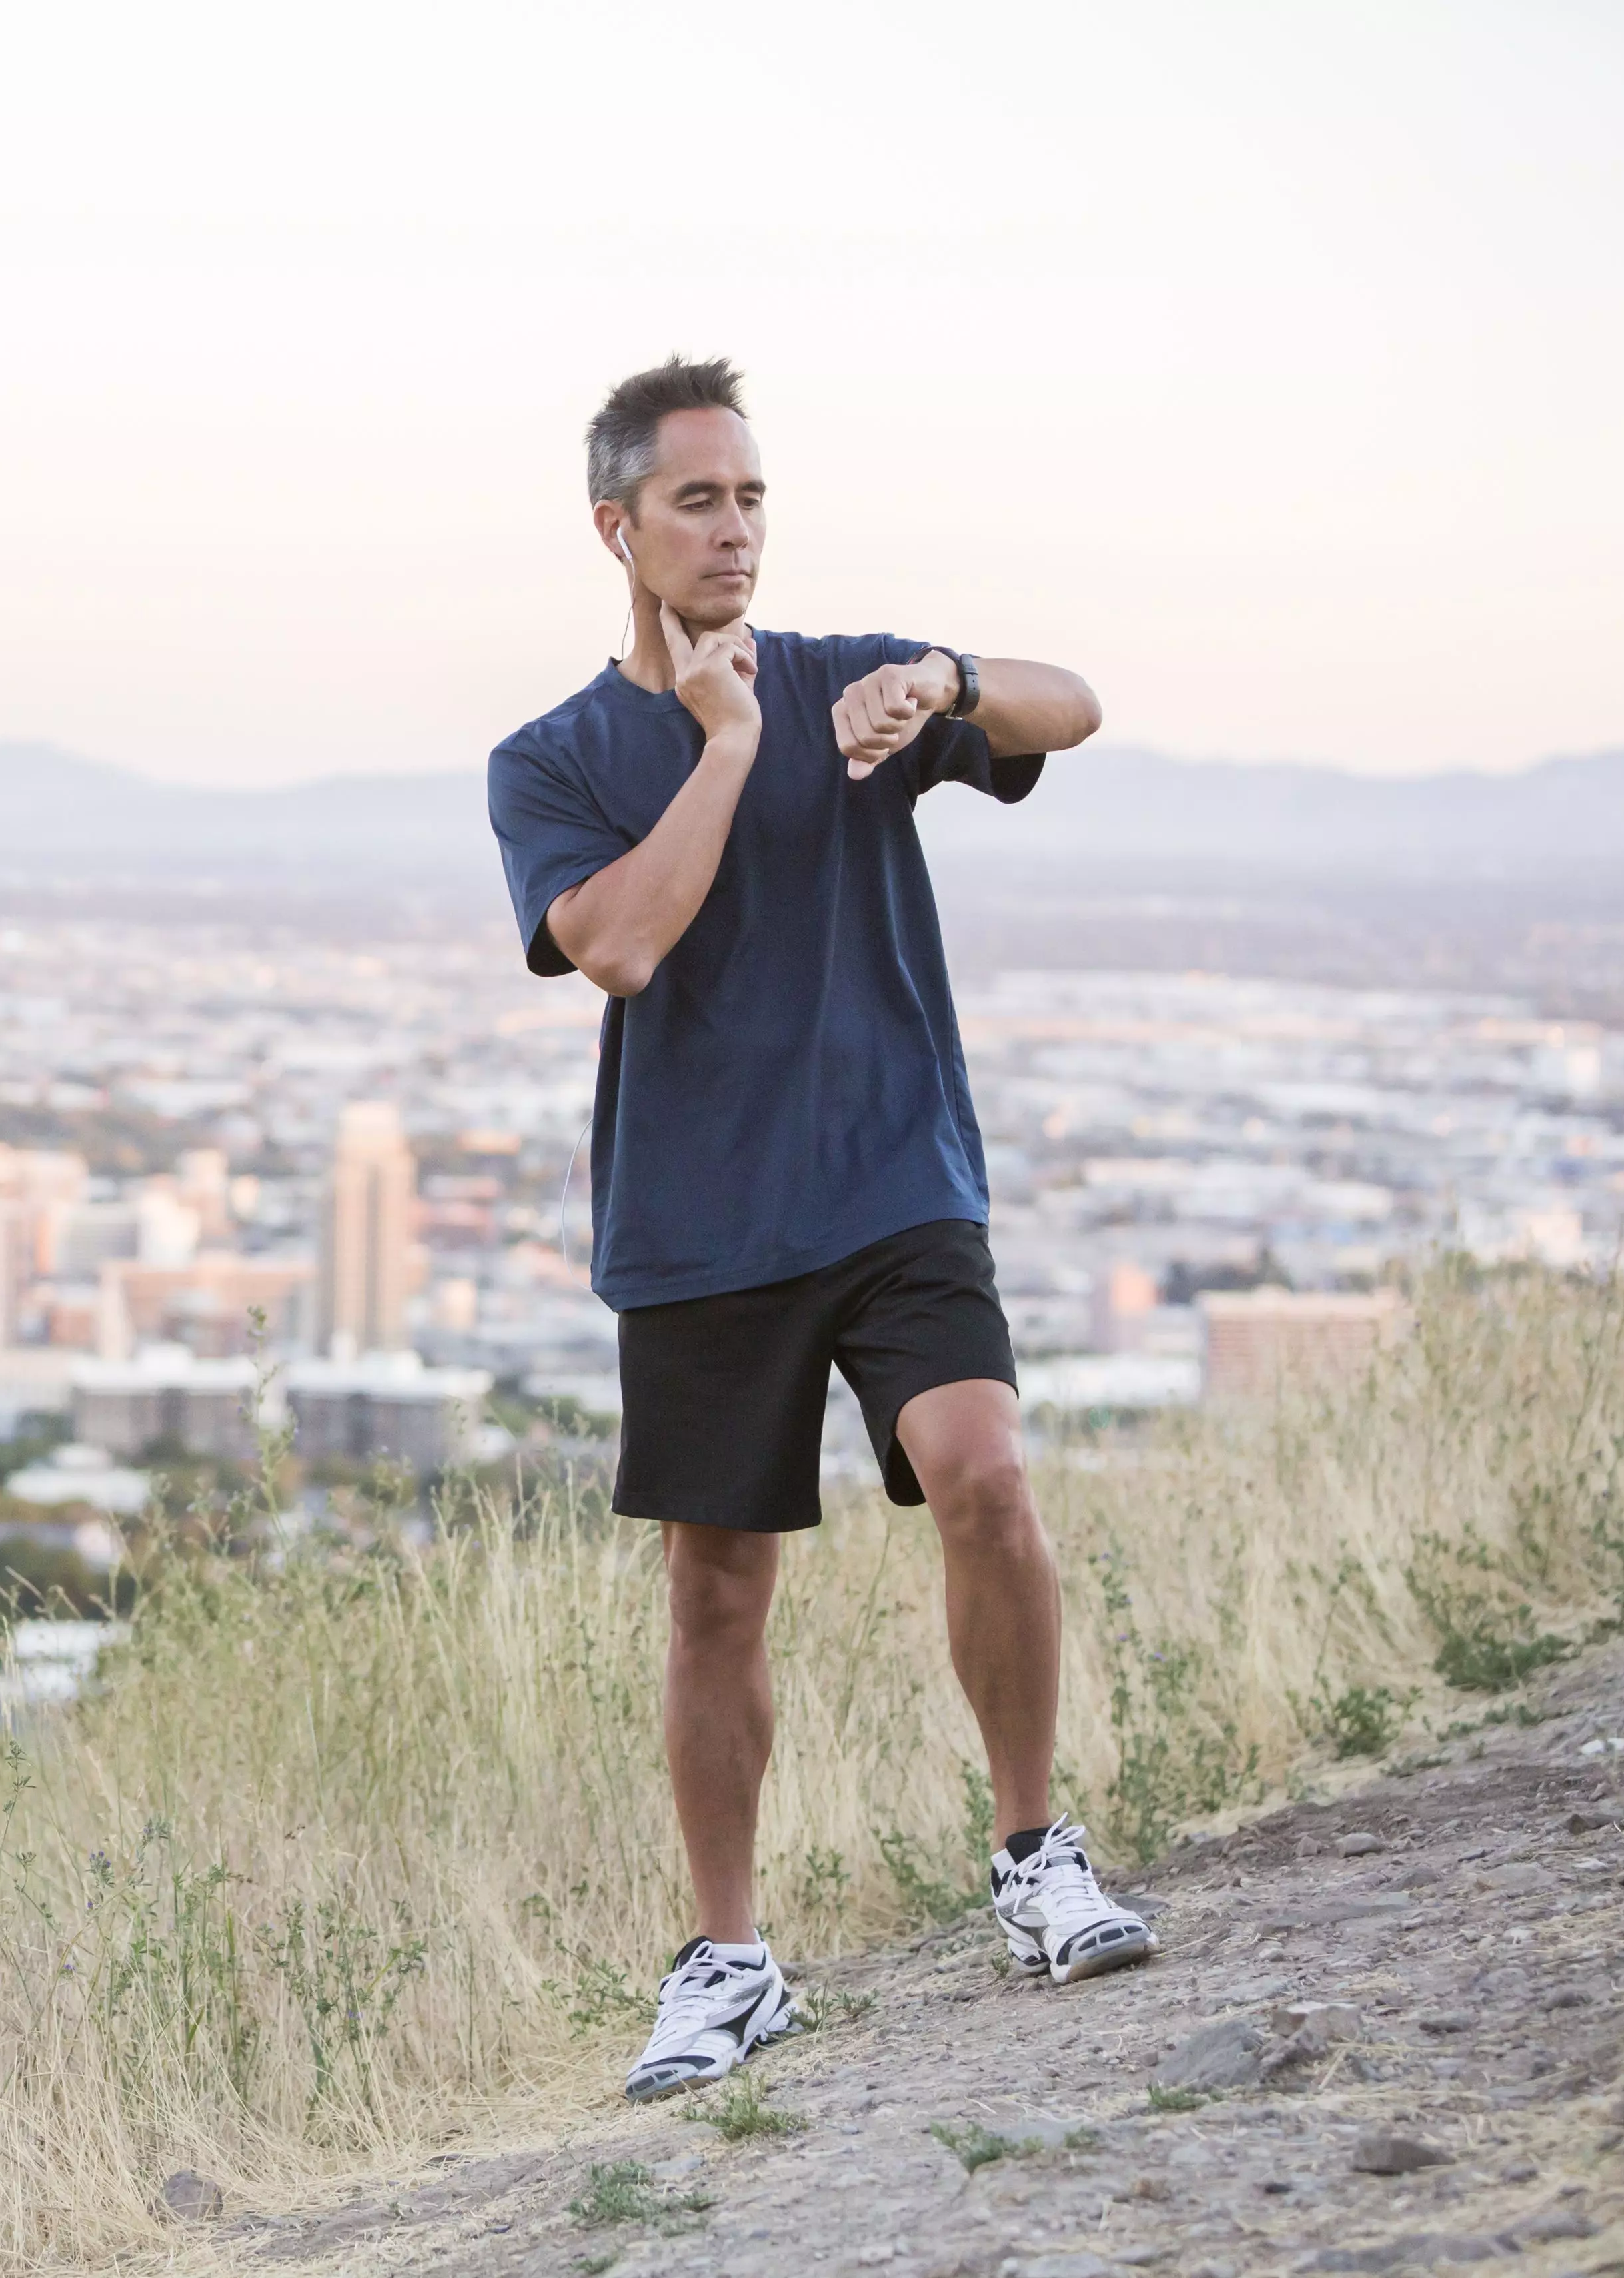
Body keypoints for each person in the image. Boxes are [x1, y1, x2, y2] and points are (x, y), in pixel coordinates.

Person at [487, 356, 1156, 2105]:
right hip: (701, 1220)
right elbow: (619, 942)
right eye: (698, 501)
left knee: (985, 1471)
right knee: (717, 1595)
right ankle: (729, 1960)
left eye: (754, 496)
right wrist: (726, 751)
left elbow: (1072, 704)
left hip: (890, 1175)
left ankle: (1033, 1855)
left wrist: (943, 677)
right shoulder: (553, 756)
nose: (735, 529)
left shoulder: (857, 684)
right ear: (617, 527)